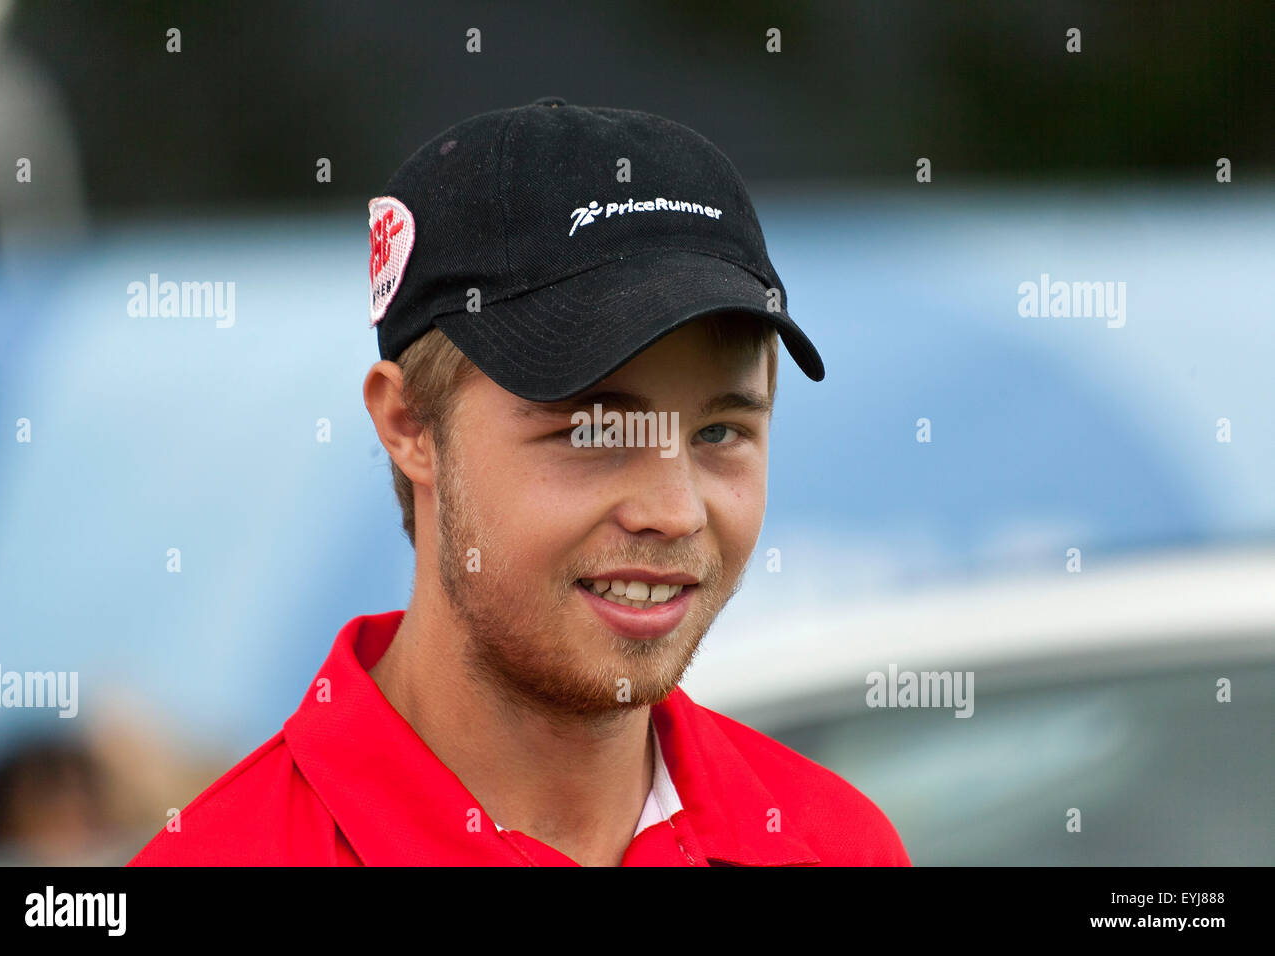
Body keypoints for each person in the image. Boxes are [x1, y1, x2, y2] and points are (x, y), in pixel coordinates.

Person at [130, 97, 911, 866]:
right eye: (595, 430)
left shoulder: (834, 845)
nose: (674, 511)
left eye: (719, 432)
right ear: (409, 425)